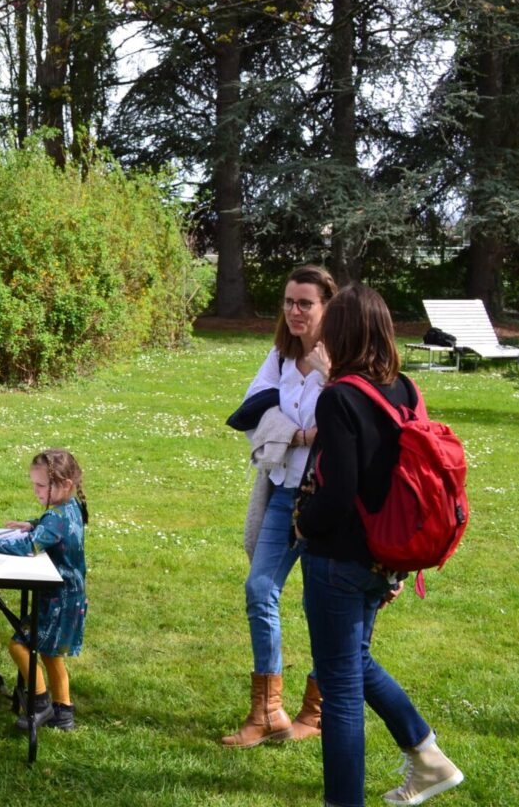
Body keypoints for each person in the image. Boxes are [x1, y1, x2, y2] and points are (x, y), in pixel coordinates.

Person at [294, 285, 464, 807]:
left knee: (340, 690)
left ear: (340, 332)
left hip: (338, 558)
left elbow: (338, 493)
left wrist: (303, 524)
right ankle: (428, 757)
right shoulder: (406, 388)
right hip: (384, 553)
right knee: (352, 662)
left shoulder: (339, 398)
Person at [221, 264, 335, 748]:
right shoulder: (281, 356)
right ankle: (267, 711)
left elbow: (357, 417)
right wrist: (300, 435)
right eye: (289, 302)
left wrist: (330, 374)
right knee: (259, 588)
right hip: (284, 491)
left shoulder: (343, 358)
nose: (294, 311)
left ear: (327, 307)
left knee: (322, 603)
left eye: (305, 303)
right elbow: (252, 410)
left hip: (327, 500)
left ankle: (318, 710)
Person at [0, 448, 88, 731]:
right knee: (51, 654)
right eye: (34, 484)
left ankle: (40, 704)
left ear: (65, 484)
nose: (36, 491)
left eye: (41, 485)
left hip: (57, 600)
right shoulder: (70, 507)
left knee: (20, 646)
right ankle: (64, 714)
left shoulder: (56, 517)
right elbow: (52, 527)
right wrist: (32, 524)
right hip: (70, 597)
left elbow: (29, 546)